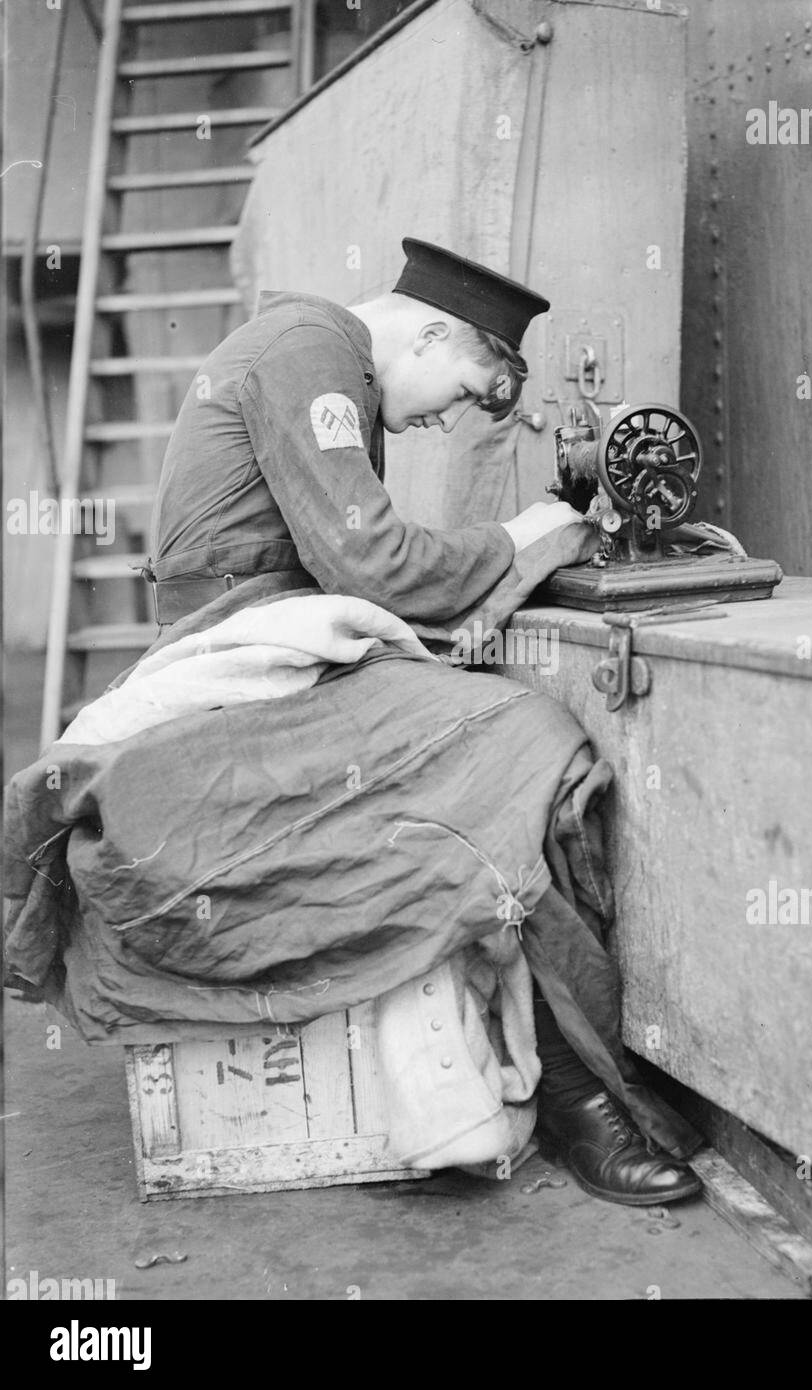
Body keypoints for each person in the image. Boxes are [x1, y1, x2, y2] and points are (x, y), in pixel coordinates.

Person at [5, 239, 703, 1206]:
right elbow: (371, 563)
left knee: (489, 734)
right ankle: (579, 1096)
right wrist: (528, 536)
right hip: (243, 647)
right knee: (525, 737)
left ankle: (568, 1079)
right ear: (427, 332)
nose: (440, 421)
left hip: (269, 636)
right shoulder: (311, 352)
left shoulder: (320, 358)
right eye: (459, 390)